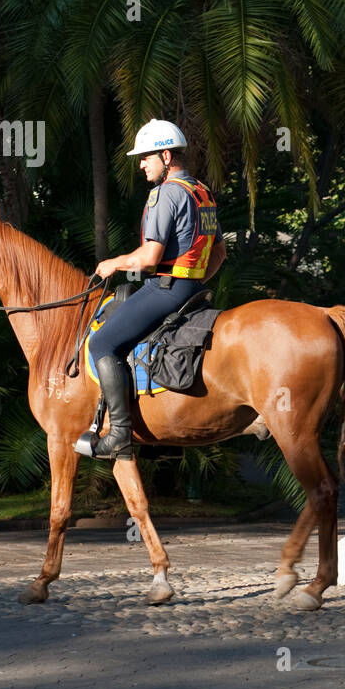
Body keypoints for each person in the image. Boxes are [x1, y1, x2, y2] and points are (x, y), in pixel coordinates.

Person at [78, 119, 224, 460]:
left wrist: (113, 263)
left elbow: (150, 256)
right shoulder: (201, 192)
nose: (141, 164)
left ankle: (119, 434)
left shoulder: (165, 193)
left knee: (101, 342)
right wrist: (197, 282)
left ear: (167, 156)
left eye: (146, 157)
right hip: (193, 291)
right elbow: (219, 251)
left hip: (165, 288)